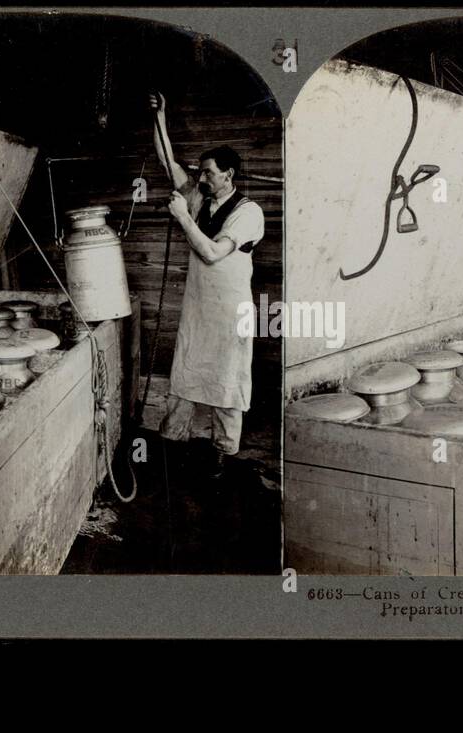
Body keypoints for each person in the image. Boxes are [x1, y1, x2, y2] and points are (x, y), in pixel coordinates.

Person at [148, 91, 265, 480]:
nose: (201, 178)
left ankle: (223, 453)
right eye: (200, 172)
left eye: (209, 173)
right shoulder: (200, 198)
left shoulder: (249, 212)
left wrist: (182, 217)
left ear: (229, 174)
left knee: (227, 384)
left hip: (230, 312)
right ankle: (172, 441)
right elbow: (168, 160)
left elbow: (214, 253)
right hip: (199, 307)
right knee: (185, 374)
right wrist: (161, 117)